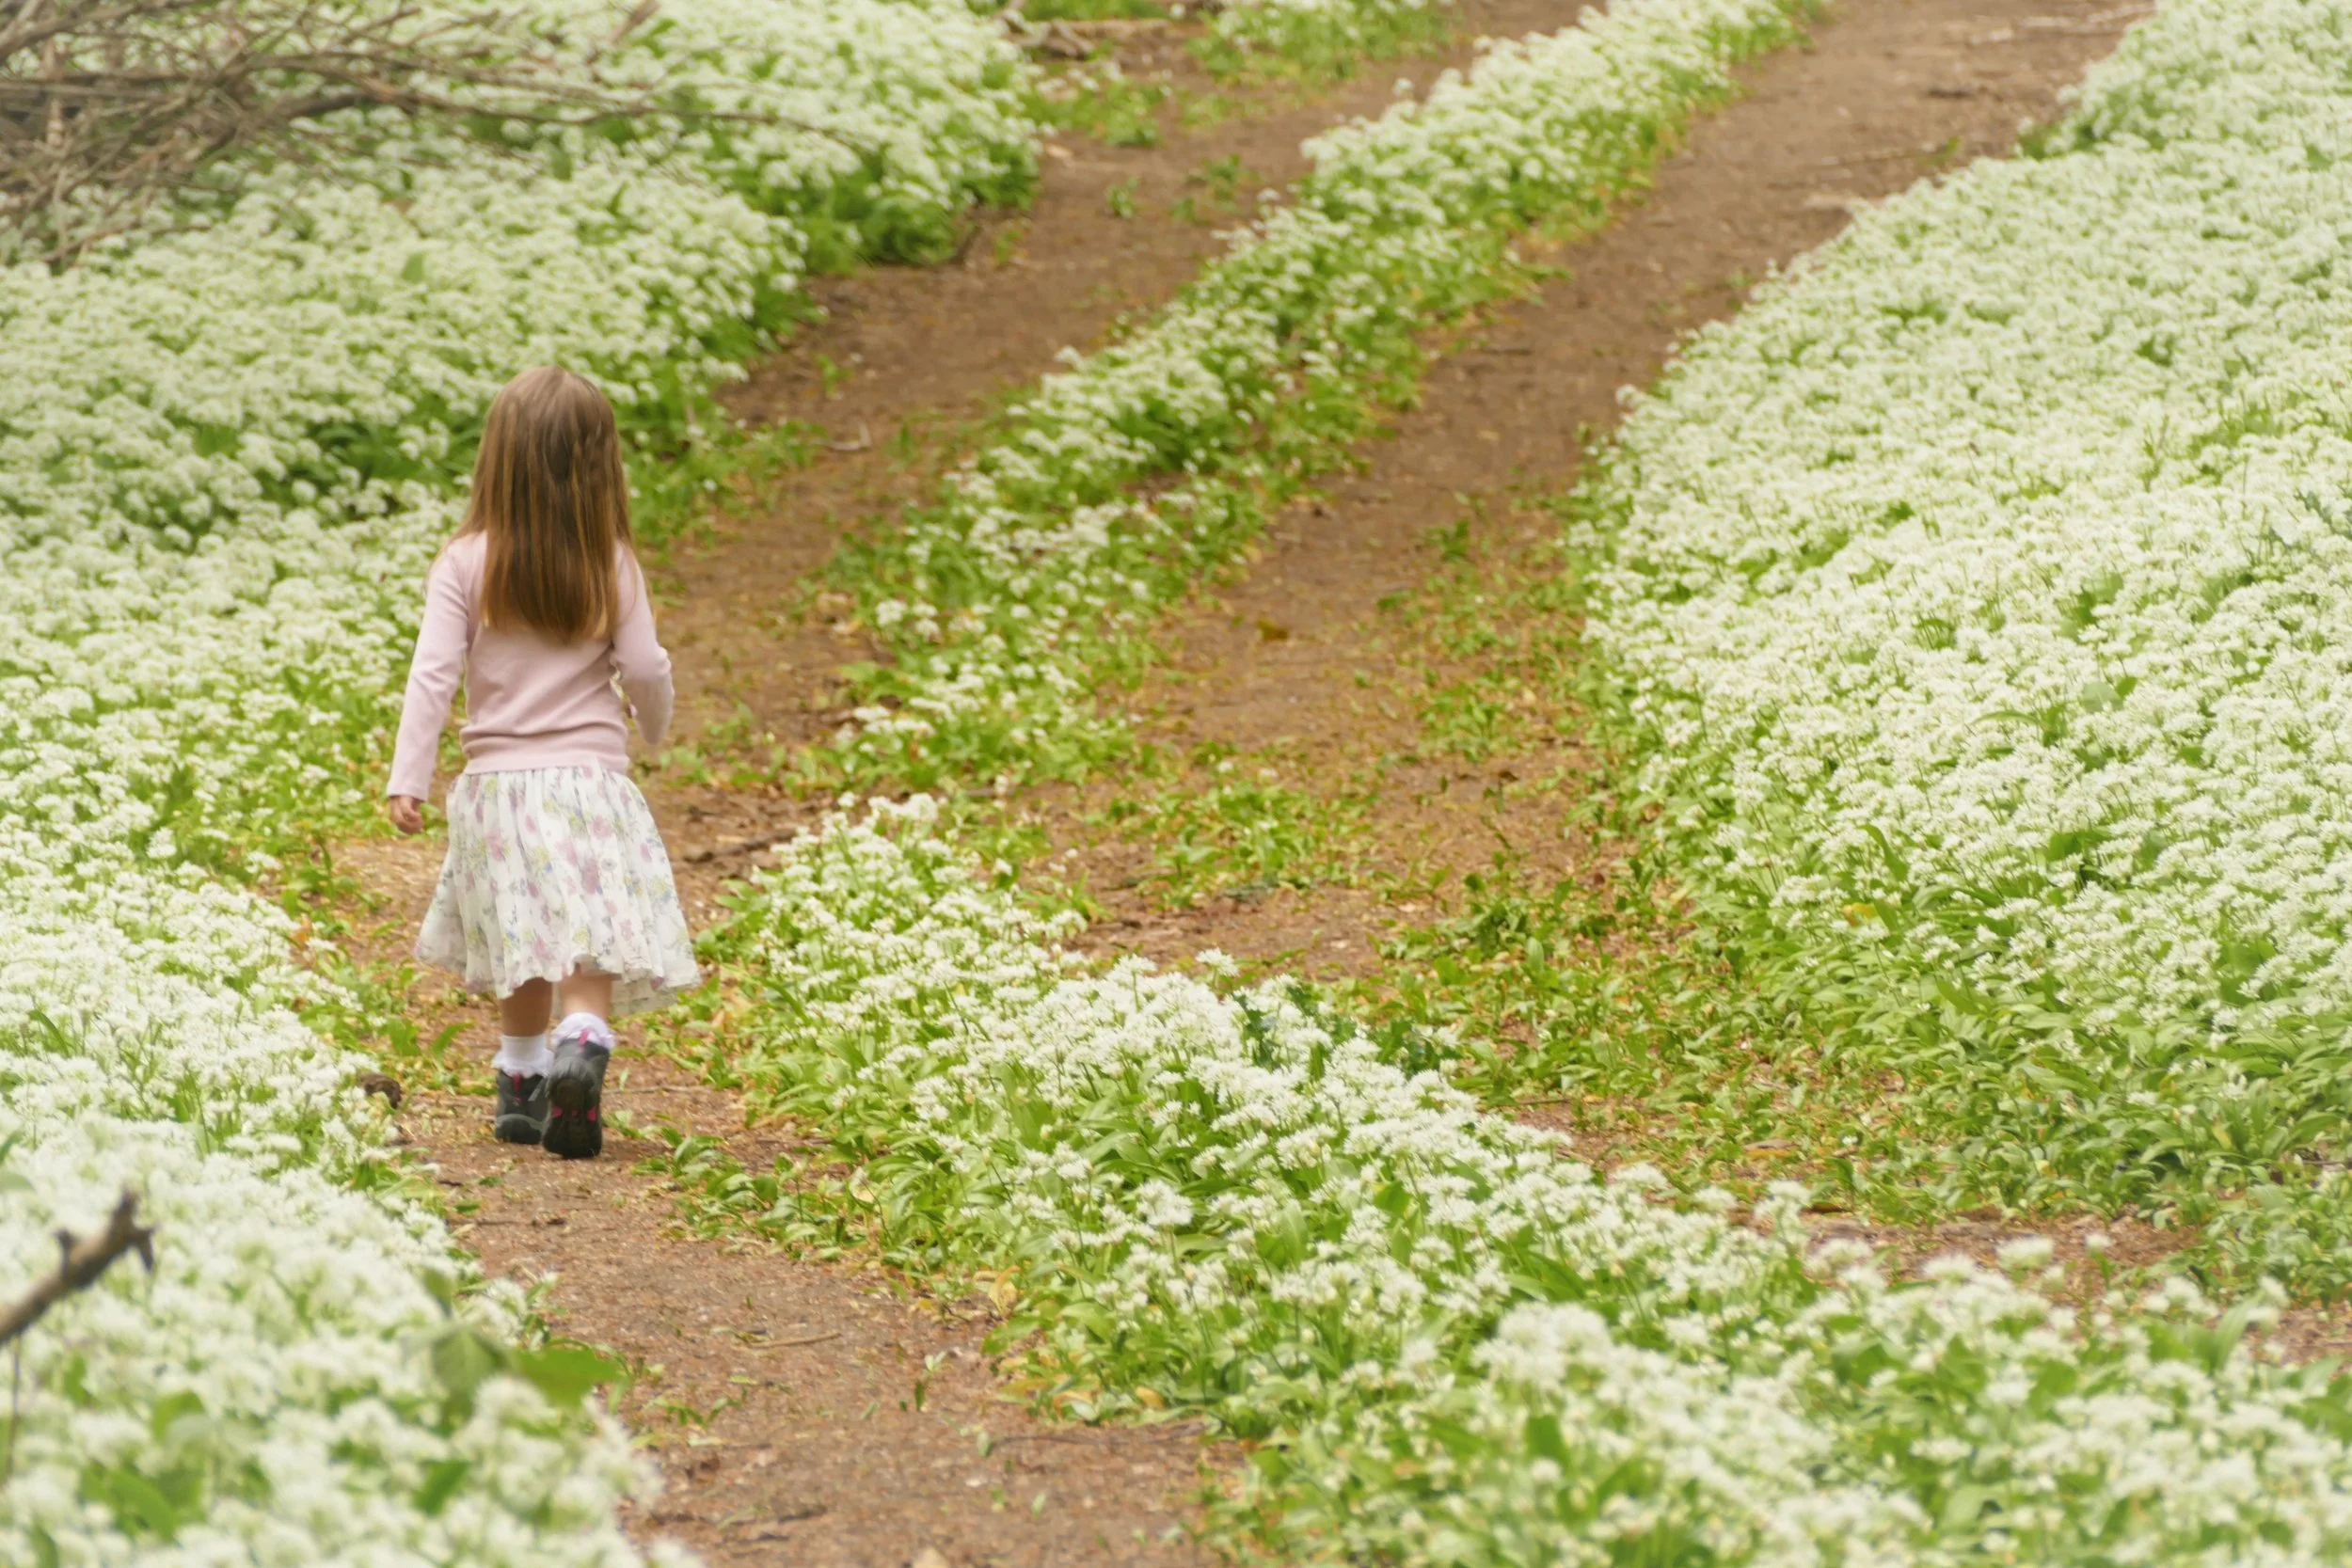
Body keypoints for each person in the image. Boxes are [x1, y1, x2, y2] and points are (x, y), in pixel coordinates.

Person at [386, 366, 699, 1160]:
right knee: (584, 932)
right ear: (600, 468)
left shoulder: (464, 562)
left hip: (496, 789)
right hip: (590, 780)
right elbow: (648, 666)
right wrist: (654, 726)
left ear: (498, 460)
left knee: (522, 928)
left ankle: (521, 1081)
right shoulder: (610, 561)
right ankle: (583, 1040)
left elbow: (432, 674)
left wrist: (408, 777)